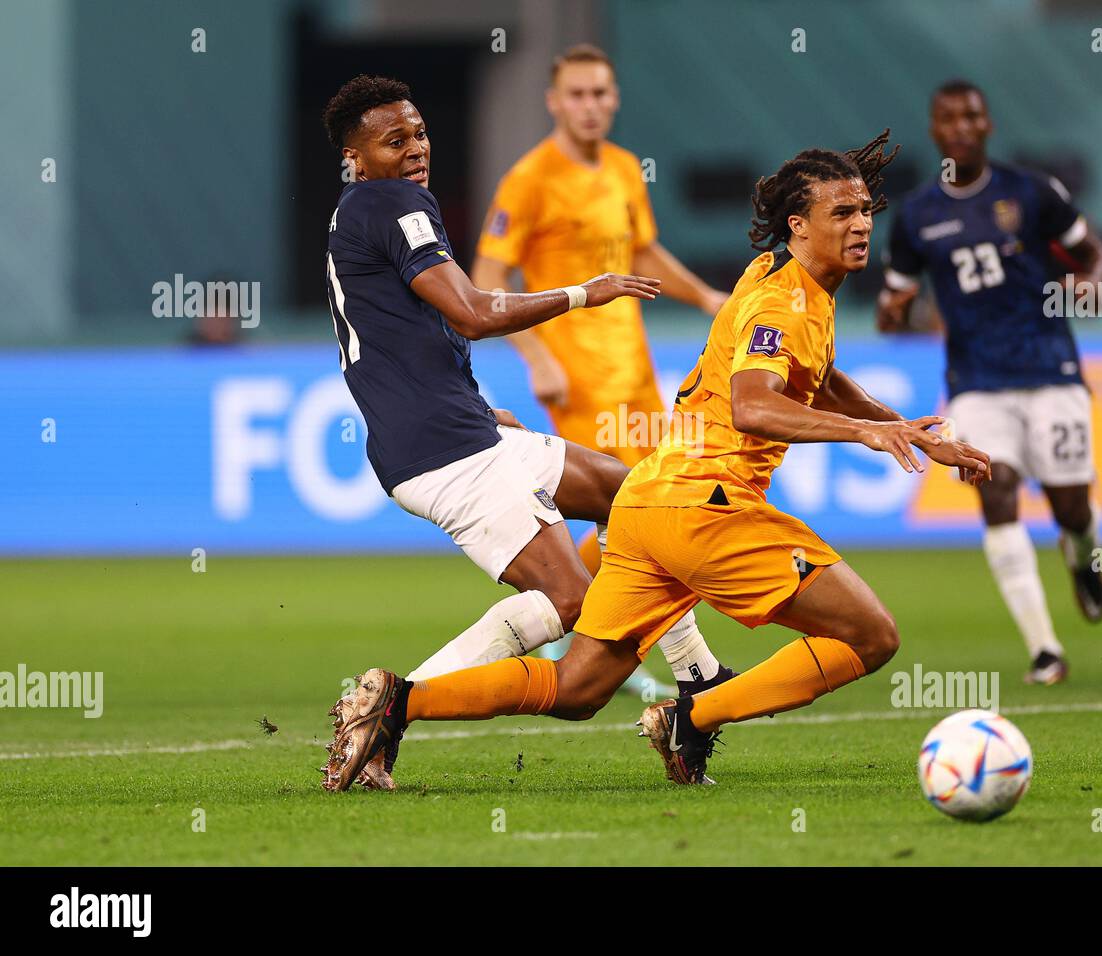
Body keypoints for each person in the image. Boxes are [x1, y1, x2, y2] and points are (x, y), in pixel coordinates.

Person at [322, 132, 991, 792]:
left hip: (647, 504)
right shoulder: (783, 304)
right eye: (841, 213)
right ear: (799, 224)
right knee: (872, 635)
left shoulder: (779, 278)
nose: (861, 225)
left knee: (578, 686)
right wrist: (864, 435)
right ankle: (692, 714)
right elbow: (754, 405)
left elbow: (822, 375)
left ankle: (397, 700)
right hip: (708, 507)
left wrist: (904, 427)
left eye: (865, 211)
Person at [318, 75, 730, 790]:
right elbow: (474, 310)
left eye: (418, 133)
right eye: (395, 141)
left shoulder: (356, 211)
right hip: (448, 450)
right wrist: (581, 292)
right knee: (570, 601)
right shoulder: (395, 203)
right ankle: (389, 706)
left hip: (455, 431)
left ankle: (698, 671)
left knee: (635, 497)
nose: (416, 150)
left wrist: (474, 404)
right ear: (356, 158)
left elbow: (407, 334)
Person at [876, 80, 1102, 685]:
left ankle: (1084, 560)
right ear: (934, 130)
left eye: (971, 116)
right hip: (975, 381)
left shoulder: (1033, 193)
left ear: (988, 126)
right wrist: (893, 312)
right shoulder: (916, 217)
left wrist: (1092, 281)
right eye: (948, 117)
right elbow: (896, 297)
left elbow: (1096, 256)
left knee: (1070, 507)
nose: (960, 126)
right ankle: (1045, 650)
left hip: (1050, 368)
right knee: (996, 488)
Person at [471, 44, 728, 576]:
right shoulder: (530, 179)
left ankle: (575, 621)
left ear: (614, 99)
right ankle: (589, 629)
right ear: (554, 103)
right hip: (578, 374)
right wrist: (536, 357)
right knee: (634, 505)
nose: (589, 105)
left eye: (599, 93)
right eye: (577, 94)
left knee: (661, 500)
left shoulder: (625, 168)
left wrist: (703, 296)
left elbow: (640, 250)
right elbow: (487, 277)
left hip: (633, 366)